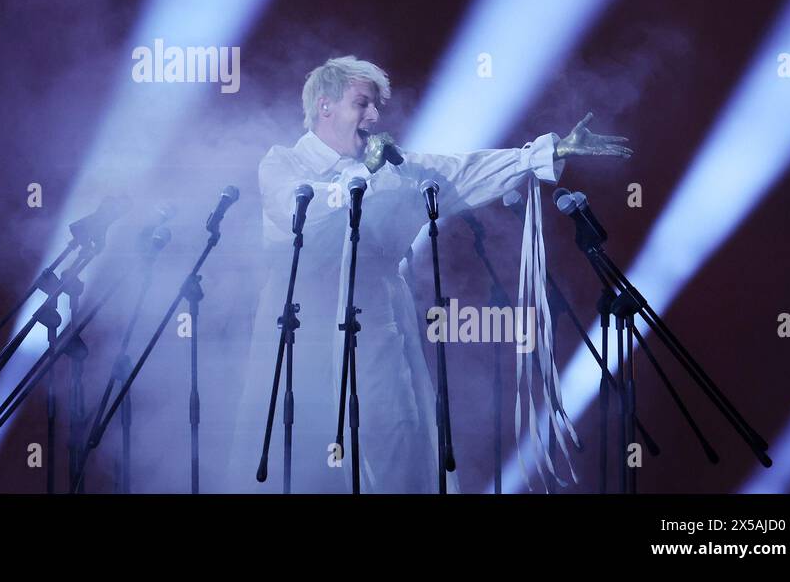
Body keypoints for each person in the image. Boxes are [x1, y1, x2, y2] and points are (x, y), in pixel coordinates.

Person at [231, 56, 631, 492]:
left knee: (390, 435)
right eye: (362, 103)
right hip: (299, 321)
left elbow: (460, 172)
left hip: (374, 320)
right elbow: (296, 213)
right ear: (325, 106)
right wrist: (362, 175)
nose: (374, 116)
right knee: (301, 442)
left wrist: (544, 152)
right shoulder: (284, 163)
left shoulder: (391, 168)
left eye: (376, 105)